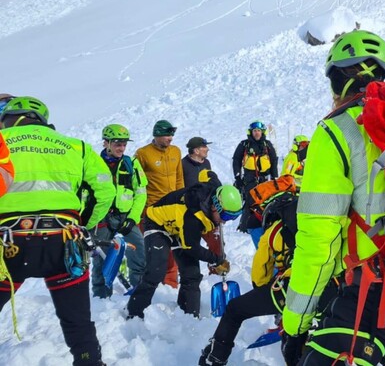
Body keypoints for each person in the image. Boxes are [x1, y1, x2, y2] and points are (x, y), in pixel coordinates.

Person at [282, 30, 385, 366]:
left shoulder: (336, 131)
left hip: (372, 300)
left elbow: (319, 242)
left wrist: (296, 323)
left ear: (336, 80)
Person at [0, 96, 115, 366]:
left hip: (9, 244)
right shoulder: (77, 147)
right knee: (78, 323)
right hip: (64, 243)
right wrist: (83, 224)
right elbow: (105, 191)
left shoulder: (2, 143)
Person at [198, 190, 339, 365]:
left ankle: (215, 357)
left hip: (295, 288)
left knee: (235, 310)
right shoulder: (321, 224)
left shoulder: (274, 231)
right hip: (333, 288)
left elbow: (260, 274)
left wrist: (264, 294)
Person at [125, 174, 241, 319]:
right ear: (214, 206)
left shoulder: (216, 193)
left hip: (180, 228)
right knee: (155, 271)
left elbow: (210, 177)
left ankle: (189, 316)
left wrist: (208, 174)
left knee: (192, 275)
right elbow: (191, 247)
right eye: (225, 217)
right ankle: (133, 313)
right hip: (158, 223)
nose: (225, 222)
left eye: (232, 218)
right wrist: (215, 259)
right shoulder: (193, 214)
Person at [91, 124, 148, 297]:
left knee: (139, 250)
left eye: (124, 144)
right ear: (105, 143)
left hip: (126, 217)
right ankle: (101, 295)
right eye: (117, 143)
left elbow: (141, 193)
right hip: (102, 218)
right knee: (101, 258)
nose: (121, 147)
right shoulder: (94, 164)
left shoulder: (132, 164)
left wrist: (132, 218)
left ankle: (138, 289)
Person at [134, 119, 184, 288]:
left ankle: (170, 283)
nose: (170, 138)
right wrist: (140, 210)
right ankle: (149, 283)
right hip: (152, 209)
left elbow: (179, 179)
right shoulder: (143, 153)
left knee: (175, 247)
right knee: (153, 249)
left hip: (172, 209)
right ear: (157, 135)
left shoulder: (176, 151)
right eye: (167, 135)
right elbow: (136, 183)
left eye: (172, 134)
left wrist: (182, 201)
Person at [232, 121, 278, 238]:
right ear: (251, 132)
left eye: (258, 131)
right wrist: (238, 177)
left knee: (266, 201)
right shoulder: (244, 145)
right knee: (249, 201)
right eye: (254, 131)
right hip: (249, 178)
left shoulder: (267, 145)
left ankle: (266, 223)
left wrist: (274, 177)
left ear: (262, 132)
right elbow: (236, 160)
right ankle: (245, 225)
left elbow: (273, 161)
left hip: (265, 178)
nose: (257, 133)